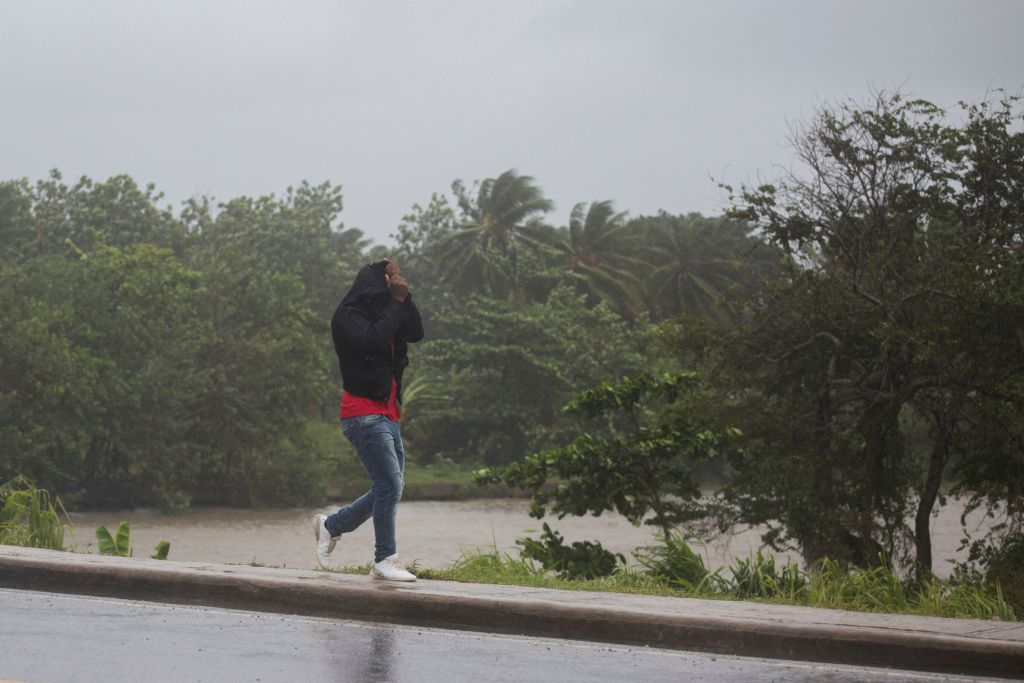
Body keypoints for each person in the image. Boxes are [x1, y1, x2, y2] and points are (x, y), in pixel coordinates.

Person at [314, 258, 424, 581]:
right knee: (390, 484)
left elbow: (416, 332)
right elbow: (373, 340)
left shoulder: (388, 310)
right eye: (385, 287)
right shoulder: (347, 317)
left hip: (389, 413)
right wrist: (396, 303)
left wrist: (406, 297)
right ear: (370, 289)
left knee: (389, 486)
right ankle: (385, 558)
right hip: (361, 413)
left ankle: (330, 526)